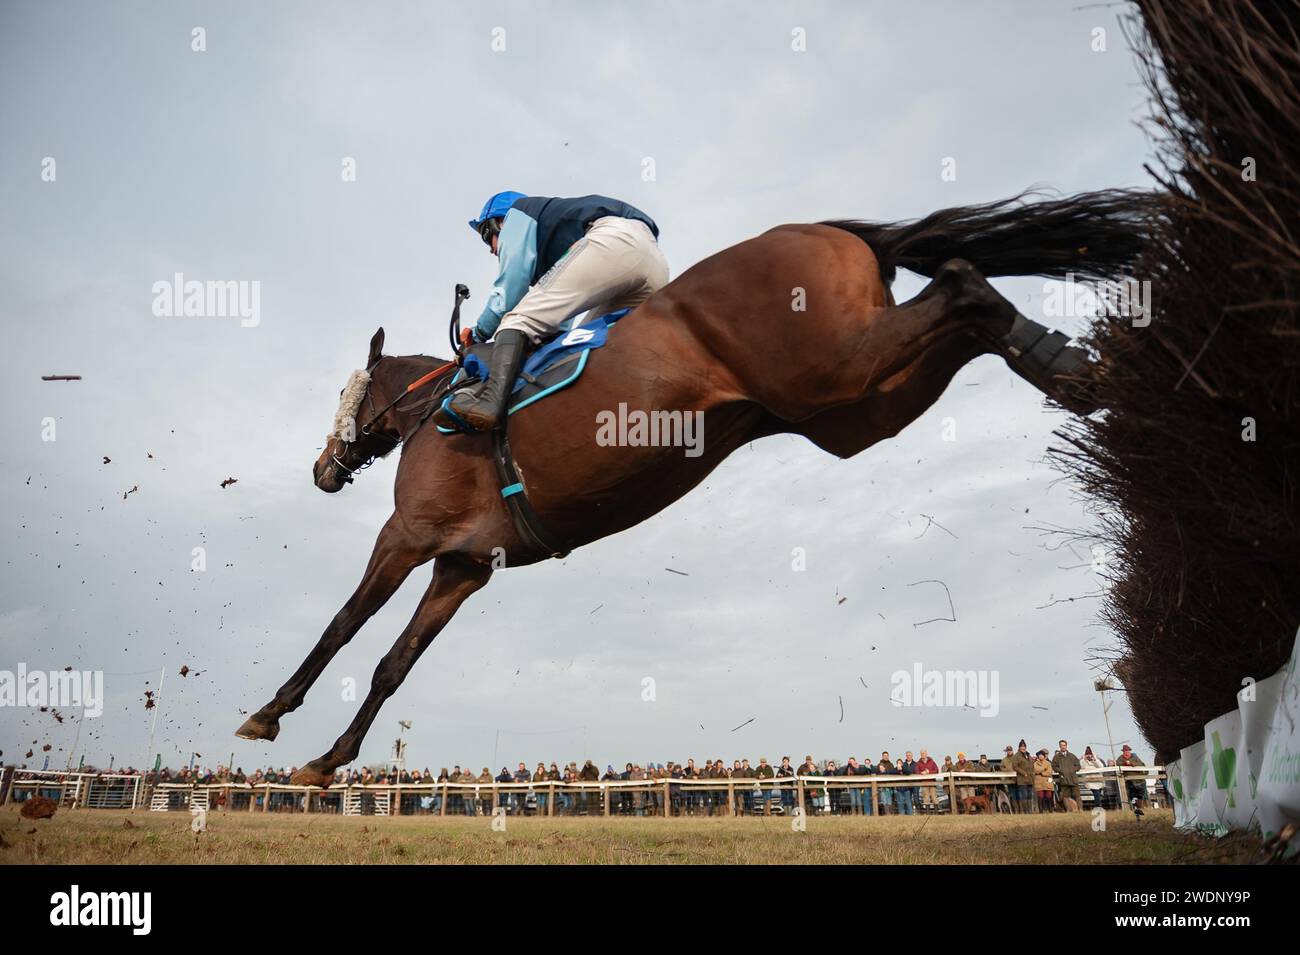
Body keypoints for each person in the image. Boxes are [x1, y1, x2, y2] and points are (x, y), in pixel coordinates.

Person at [434, 191, 668, 433]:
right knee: (579, 347)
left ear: (500, 222)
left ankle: (489, 405)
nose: (491, 250)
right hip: (654, 261)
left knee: (516, 320)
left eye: (486, 236)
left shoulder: (518, 213)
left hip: (613, 240)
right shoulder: (556, 244)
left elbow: (509, 289)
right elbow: (557, 324)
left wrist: (480, 333)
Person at [1052, 740, 1082, 811]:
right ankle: (1068, 810)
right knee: (1065, 796)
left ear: (1066, 746)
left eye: (1064, 745)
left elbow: (1078, 765)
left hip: (1073, 779)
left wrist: (1073, 770)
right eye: (1062, 745)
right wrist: (1061, 771)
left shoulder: (1072, 756)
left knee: (1077, 795)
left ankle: (1080, 809)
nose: (1063, 747)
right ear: (1059, 746)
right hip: (1064, 779)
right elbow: (1054, 766)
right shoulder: (1056, 757)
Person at [1116, 744, 1148, 809]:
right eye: (1125, 751)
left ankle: (1144, 807)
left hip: (1139, 779)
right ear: (1123, 751)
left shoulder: (1135, 757)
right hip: (1129, 780)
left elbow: (1141, 764)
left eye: (1127, 750)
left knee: (1141, 794)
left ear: (1130, 751)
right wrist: (1124, 764)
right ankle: (1133, 808)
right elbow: (1118, 764)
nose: (1126, 752)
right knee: (1132, 795)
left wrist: (1132, 764)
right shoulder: (1120, 758)